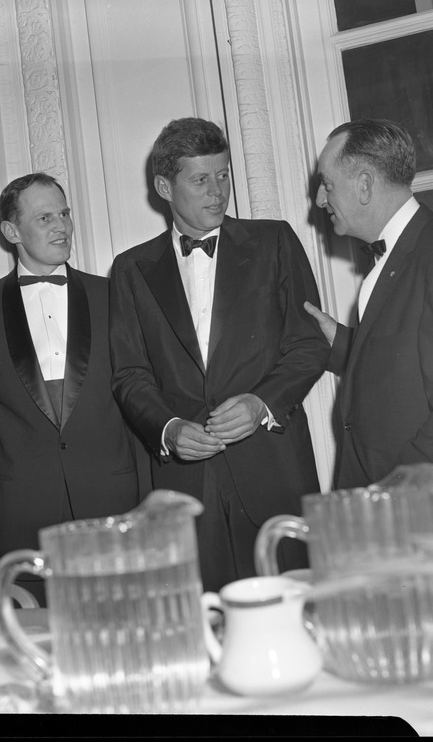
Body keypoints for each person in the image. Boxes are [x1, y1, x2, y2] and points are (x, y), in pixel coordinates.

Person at [109, 118, 329, 593]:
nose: (218, 191)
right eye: (200, 180)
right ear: (164, 187)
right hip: (185, 488)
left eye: (224, 175)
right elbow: (129, 374)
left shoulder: (275, 241)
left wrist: (261, 403)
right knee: (199, 621)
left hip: (273, 474)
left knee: (289, 612)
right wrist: (169, 429)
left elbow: (309, 343)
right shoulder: (130, 269)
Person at [304, 118, 433, 563]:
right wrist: (341, 344)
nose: (320, 199)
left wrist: (394, 495)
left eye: (327, 184)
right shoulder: (403, 255)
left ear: (364, 185)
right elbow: (410, 365)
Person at [0, 173, 144, 605]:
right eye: (44, 218)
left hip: (114, 510)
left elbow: (138, 404)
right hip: (23, 522)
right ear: (11, 232)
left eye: (65, 214)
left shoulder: (113, 295)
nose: (62, 226)